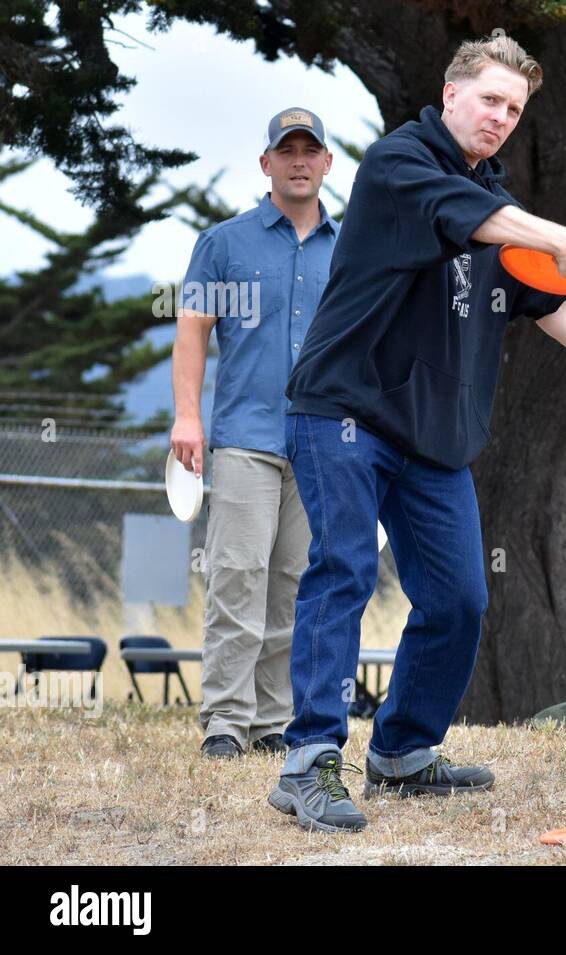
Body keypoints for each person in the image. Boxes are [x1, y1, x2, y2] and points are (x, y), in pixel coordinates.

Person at [266, 35, 566, 833]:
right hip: (343, 407)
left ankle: (403, 752)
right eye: (490, 99)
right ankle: (309, 761)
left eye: (514, 110)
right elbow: (482, 221)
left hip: (431, 436)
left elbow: (550, 303)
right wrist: (555, 235)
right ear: (450, 95)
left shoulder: (497, 202)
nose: (501, 118)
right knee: (343, 569)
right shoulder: (400, 163)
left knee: (460, 599)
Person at [171, 108, 337, 759]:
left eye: (310, 151)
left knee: (294, 579)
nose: (299, 161)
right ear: (266, 163)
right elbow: (191, 330)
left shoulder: (348, 251)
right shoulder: (224, 243)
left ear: (326, 164)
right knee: (237, 573)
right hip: (244, 435)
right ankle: (225, 718)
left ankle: (273, 719)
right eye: (286, 150)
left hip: (320, 440)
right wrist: (188, 416)